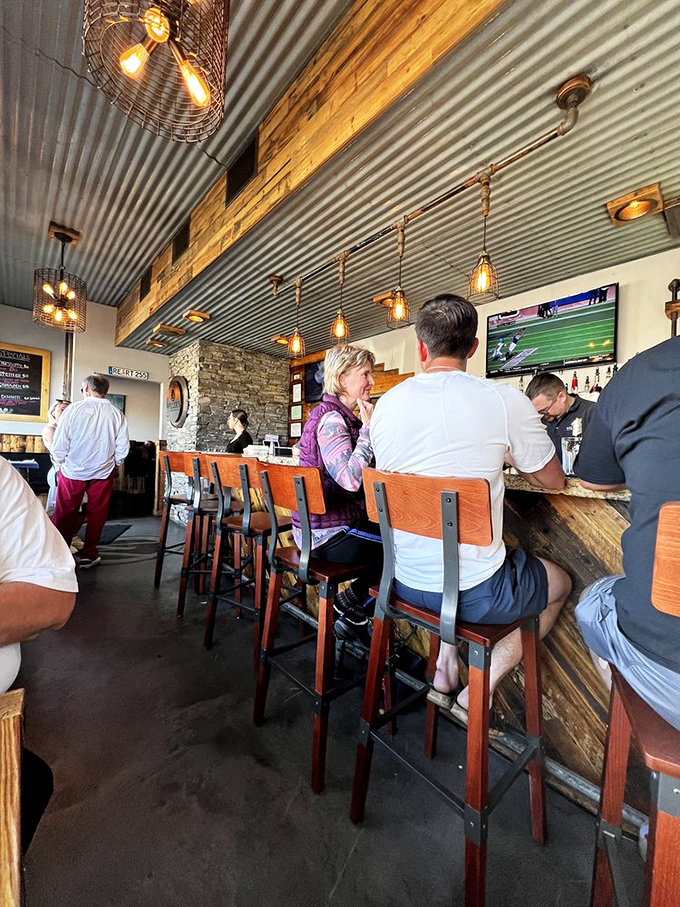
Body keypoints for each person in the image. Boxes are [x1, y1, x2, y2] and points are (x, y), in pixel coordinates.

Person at [370, 294, 571, 712]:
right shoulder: (502, 399)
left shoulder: (385, 406)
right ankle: (478, 690)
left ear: (420, 348)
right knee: (561, 583)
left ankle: (445, 662)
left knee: (449, 556)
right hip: (477, 595)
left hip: (403, 582)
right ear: (474, 348)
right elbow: (554, 479)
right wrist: (510, 456)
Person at [574, 336, 680, 731]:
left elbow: (591, 478)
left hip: (666, 670)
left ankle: (643, 746)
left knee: (588, 600)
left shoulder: (638, 375)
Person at [0, 457, 78, 851]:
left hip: (74, 472)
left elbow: (55, 599)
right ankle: (86, 548)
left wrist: (65, 462)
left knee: (31, 781)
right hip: (94, 475)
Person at [294, 344, 383, 643]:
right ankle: (353, 602)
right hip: (326, 537)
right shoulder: (332, 418)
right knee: (405, 547)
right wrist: (369, 429)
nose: (371, 381)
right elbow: (349, 480)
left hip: (318, 530)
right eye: (365, 374)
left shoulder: (334, 415)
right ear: (344, 379)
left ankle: (355, 609)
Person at [51, 374, 130, 569]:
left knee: (65, 512)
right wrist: (116, 463)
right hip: (103, 471)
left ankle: (59, 555)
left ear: (86, 389)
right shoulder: (116, 413)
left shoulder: (73, 410)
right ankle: (90, 553)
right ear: (106, 391)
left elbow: (61, 441)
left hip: (73, 470)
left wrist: (59, 462)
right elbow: (122, 446)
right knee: (97, 513)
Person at [525, 371, 596, 458]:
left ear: (562, 397)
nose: (541, 416)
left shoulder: (591, 413)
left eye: (544, 410)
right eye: (537, 413)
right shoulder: (540, 420)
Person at [42, 398, 70, 514]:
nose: (65, 413)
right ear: (53, 412)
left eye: (68, 410)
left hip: (71, 472)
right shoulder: (50, 429)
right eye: (62, 410)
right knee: (58, 509)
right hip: (58, 472)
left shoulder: (69, 429)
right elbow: (61, 451)